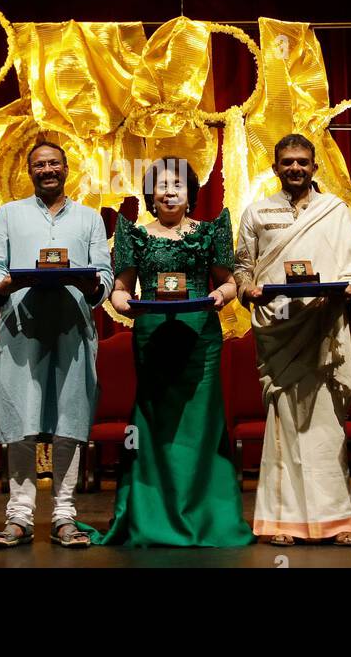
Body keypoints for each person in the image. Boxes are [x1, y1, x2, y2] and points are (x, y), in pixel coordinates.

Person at [97, 158, 252, 547]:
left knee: (200, 424)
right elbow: (120, 289)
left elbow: (229, 283)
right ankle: (155, 515)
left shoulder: (209, 232)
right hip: (152, 336)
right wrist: (121, 303)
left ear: (190, 194)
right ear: (150, 193)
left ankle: (205, 515)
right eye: (162, 184)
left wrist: (220, 295)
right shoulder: (135, 235)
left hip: (201, 335)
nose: (170, 191)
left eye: (178, 185)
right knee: (155, 424)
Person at [234, 135, 351, 546]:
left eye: (302, 162)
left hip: (325, 329)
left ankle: (338, 522)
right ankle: (281, 522)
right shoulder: (258, 212)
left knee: (329, 428)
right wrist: (248, 290)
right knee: (284, 428)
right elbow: (243, 268)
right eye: (286, 162)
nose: (295, 168)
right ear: (276, 167)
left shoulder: (335, 211)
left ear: (315, 167)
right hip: (280, 330)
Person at [0, 140, 113, 549]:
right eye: (40, 165)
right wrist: (4, 284)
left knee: (69, 422)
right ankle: (18, 517)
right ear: (30, 171)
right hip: (21, 330)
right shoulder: (8, 214)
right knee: (20, 422)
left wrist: (90, 284)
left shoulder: (90, 218)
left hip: (72, 332)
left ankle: (64, 517)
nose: (48, 170)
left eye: (54, 163)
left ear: (67, 168)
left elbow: (104, 275)